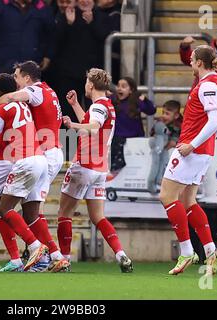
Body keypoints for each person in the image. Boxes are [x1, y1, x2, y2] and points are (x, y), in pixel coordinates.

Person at [0, 73, 68, 273]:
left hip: (9, 161)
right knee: (13, 211)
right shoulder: (23, 105)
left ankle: (32, 248)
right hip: (38, 158)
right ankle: (32, 257)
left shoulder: (1, 106)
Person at [58, 68, 133, 273]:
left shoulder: (99, 107)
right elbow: (89, 124)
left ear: (90, 85)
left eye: (86, 82)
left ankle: (63, 261)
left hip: (84, 165)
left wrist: (70, 124)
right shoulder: (106, 105)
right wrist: (75, 106)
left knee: (64, 213)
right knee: (98, 217)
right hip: (100, 170)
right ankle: (121, 255)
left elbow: (92, 126)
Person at [159, 45, 217, 276]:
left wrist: (193, 145)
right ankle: (210, 250)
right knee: (188, 201)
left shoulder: (207, 85)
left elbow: (215, 121)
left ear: (199, 62)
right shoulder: (215, 83)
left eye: (192, 59)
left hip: (191, 149)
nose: (189, 62)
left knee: (167, 196)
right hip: (202, 151)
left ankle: (187, 251)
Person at [52, 0, 106, 121]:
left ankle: (93, 139)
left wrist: (92, 22)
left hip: (93, 74)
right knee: (67, 109)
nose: (85, 1)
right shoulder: (66, 14)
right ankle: (68, 140)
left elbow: (105, 37)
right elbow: (56, 41)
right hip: (68, 73)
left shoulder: (100, 15)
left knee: (93, 109)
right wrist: (68, 23)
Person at [0, 0, 55, 75]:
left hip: (31, 67)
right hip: (3, 65)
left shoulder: (42, 8)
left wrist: (48, 56)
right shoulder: (0, 5)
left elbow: (51, 34)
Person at [110, 77, 156, 172]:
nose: (119, 88)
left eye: (123, 86)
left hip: (135, 139)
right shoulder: (112, 99)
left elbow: (151, 111)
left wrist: (145, 100)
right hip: (117, 138)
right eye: (118, 86)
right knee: (116, 167)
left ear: (131, 90)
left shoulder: (136, 100)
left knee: (135, 165)